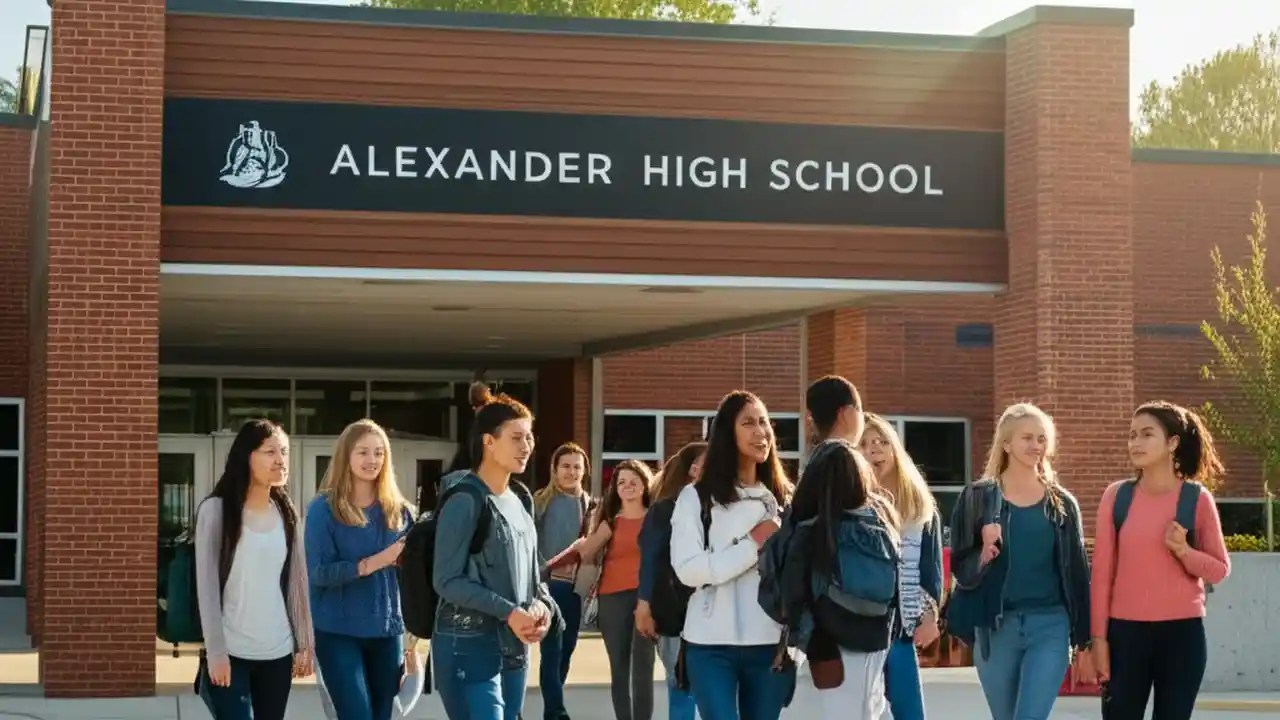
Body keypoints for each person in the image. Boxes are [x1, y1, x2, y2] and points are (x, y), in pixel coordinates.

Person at [947, 403, 1093, 720]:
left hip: (1051, 626)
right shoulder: (977, 498)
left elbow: (1079, 575)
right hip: (997, 628)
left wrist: (1084, 642)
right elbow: (961, 567)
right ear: (1006, 444)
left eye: (1042, 438)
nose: (1036, 446)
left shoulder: (1062, 504)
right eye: (1027, 437)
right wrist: (983, 554)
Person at [1090, 401, 1231, 720]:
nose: (1135, 443)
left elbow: (1220, 569)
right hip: (1124, 635)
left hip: (1182, 635)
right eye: (1132, 435)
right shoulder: (1116, 497)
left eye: (1146, 434)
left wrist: (1184, 551)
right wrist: (1098, 639)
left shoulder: (1197, 499)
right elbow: (1101, 574)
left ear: (1173, 443)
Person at [432, 392, 561, 720]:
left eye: (529, 436)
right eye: (516, 437)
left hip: (515, 649)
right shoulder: (464, 500)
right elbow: (446, 581)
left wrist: (541, 608)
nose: (526, 446)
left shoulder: (521, 499)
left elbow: (534, 577)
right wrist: (510, 612)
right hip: (467, 644)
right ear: (488, 441)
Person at [670, 390, 794, 720]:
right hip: (708, 645)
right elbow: (689, 570)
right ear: (727, 432)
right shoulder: (695, 498)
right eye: (749, 423)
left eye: (765, 422)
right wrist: (754, 543)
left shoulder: (782, 501)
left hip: (770, 644)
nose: (761, 432)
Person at [770, 438, 901, 719]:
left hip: (824, 643)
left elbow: (791, 594)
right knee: (873, 709)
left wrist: (810, 637)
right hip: (873, 638)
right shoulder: (879, 520)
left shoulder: (806, 528)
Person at [195, 419, 313, 720]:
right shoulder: (216, 511)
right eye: (270, 451)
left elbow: (297, 582)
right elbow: (206, 589)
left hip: (277, 651)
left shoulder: (287, 513)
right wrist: (216, 653)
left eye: (284, 452)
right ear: (247, 455)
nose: (280, 460)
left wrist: (304, 643)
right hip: (232, 651)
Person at [304, 419, 416, 720]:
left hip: (386, 630)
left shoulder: (400, 511)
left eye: (379, 453)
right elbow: (318, 573)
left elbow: (415, 577)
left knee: (382, 715)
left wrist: (413, 637)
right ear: (346, 456)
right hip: (338, 632)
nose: (372, 460)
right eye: (363, 452)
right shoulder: (323, 509)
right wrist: (376, 562)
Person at [859, 413, 942, 720]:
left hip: (900, 628)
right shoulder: (848, 503)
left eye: (881, 442)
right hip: (859, 625)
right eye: (865, 444)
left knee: (910, 712)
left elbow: (930, 567)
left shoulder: (918, 503)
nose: (874, 449)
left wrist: (929, 615)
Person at [575, 459, 656, 720]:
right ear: (615, 488)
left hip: (647, 599)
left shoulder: (656, 518)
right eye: (622, 482)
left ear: (645, 485)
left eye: (634, 481)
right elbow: (586, 553)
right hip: (611, 597)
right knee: (619, 667)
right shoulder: (609, 520)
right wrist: (597, 535)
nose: (628, 486)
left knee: (643, 666)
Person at [636, 442, 706, 720]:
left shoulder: (718, 509)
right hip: (675, 613)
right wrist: (644, 605)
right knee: (681, 688)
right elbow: (650, 559)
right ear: (692, 469)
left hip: (710, 614)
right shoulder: (665, 510)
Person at [533, 442, 596, 720]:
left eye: (577, 467)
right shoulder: (541, 502)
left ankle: (553, 706)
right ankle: (556, 711)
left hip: (576, 588)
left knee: (566, 650)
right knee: (552, 650)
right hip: (547, 586)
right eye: (566, 466)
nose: (571, 472)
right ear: (555, 470)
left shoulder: (592, 505)